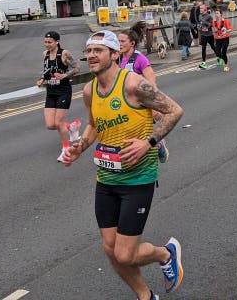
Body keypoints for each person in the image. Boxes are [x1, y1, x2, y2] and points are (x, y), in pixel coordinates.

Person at [62, 31, 184, 300]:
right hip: (106, 179)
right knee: (110, 250)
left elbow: (174, 111)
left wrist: (148, 142)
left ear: (115, 54)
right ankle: (146, 296)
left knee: (124, 254)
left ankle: (166, 253)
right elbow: (94, 126)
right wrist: (79, 148)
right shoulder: (88, 90)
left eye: (99, 50)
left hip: (138, 179)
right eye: (89, 50)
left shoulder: (134, 85)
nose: (91, 55)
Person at [118, 25, 168, 163]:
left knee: (138, 132)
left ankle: (157, 144)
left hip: (142, 104)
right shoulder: (119, 59)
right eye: (118, 41)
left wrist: (153, 106)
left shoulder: (139, 58)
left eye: (122, 41)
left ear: (132, 43)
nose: (119, 44)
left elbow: (152, 82)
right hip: (127, 102)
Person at [36, 31, 80, 162]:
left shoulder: (64, 53)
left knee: (58, 122)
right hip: (51, 92)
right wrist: (41, 79)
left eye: (49, 42)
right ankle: (72, 127)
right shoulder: (45, 54)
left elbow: (77, 67)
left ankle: (65, 149)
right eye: (45, 42)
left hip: (63, 91)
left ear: (57, 42)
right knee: (50, 125)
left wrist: (65, 75)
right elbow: (46, 70)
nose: (47, 45)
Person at [196, 3, 215, 69]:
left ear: (205, 9)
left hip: (209, 34)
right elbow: (199, 23)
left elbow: (210, 25)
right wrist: (198, 26)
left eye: (201, 8)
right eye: (200, 8)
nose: (200, 9)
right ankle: (203, 62)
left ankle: (219, 57)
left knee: (213, 47)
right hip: (203, 34)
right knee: (203, 48)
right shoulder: (199, 16)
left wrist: (204, 22)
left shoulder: (209, 16)